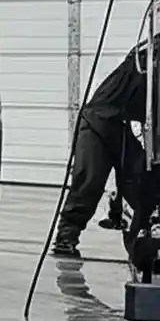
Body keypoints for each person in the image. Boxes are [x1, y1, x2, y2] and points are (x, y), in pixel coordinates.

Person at [53, 38, 154, 259]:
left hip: (120, 124)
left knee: (143, 179)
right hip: (97, 119)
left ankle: (140, 243)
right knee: (89, 181)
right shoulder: (150, 53)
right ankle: (65, 239)